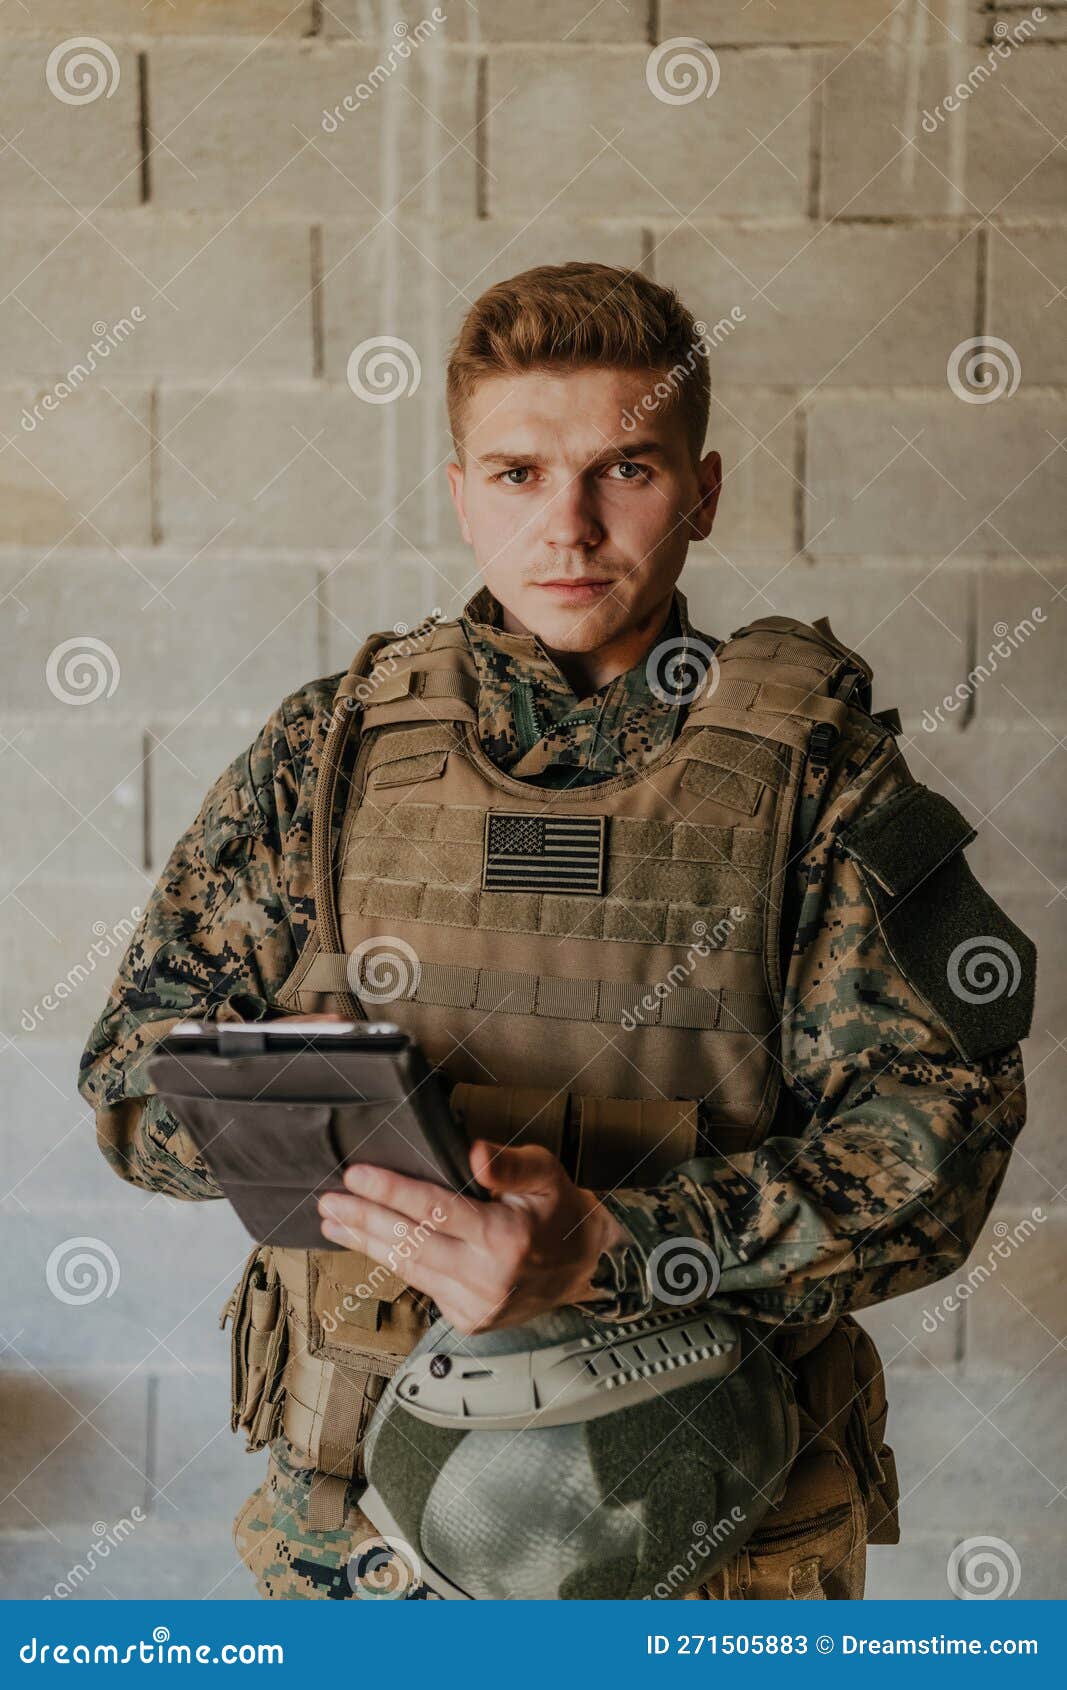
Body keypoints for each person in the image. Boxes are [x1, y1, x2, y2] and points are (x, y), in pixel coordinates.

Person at [78, 263, 1035, 1602]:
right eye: (520, 473)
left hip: (717, 1531)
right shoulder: (330, 751)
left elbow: (941, 1148)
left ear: (701, 490)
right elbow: (131, 1083)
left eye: (624, 469)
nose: (569, 526)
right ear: (462, 488)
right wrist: (342, 1138)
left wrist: (613, 1242)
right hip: (369, 1536)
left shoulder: (820, 775)